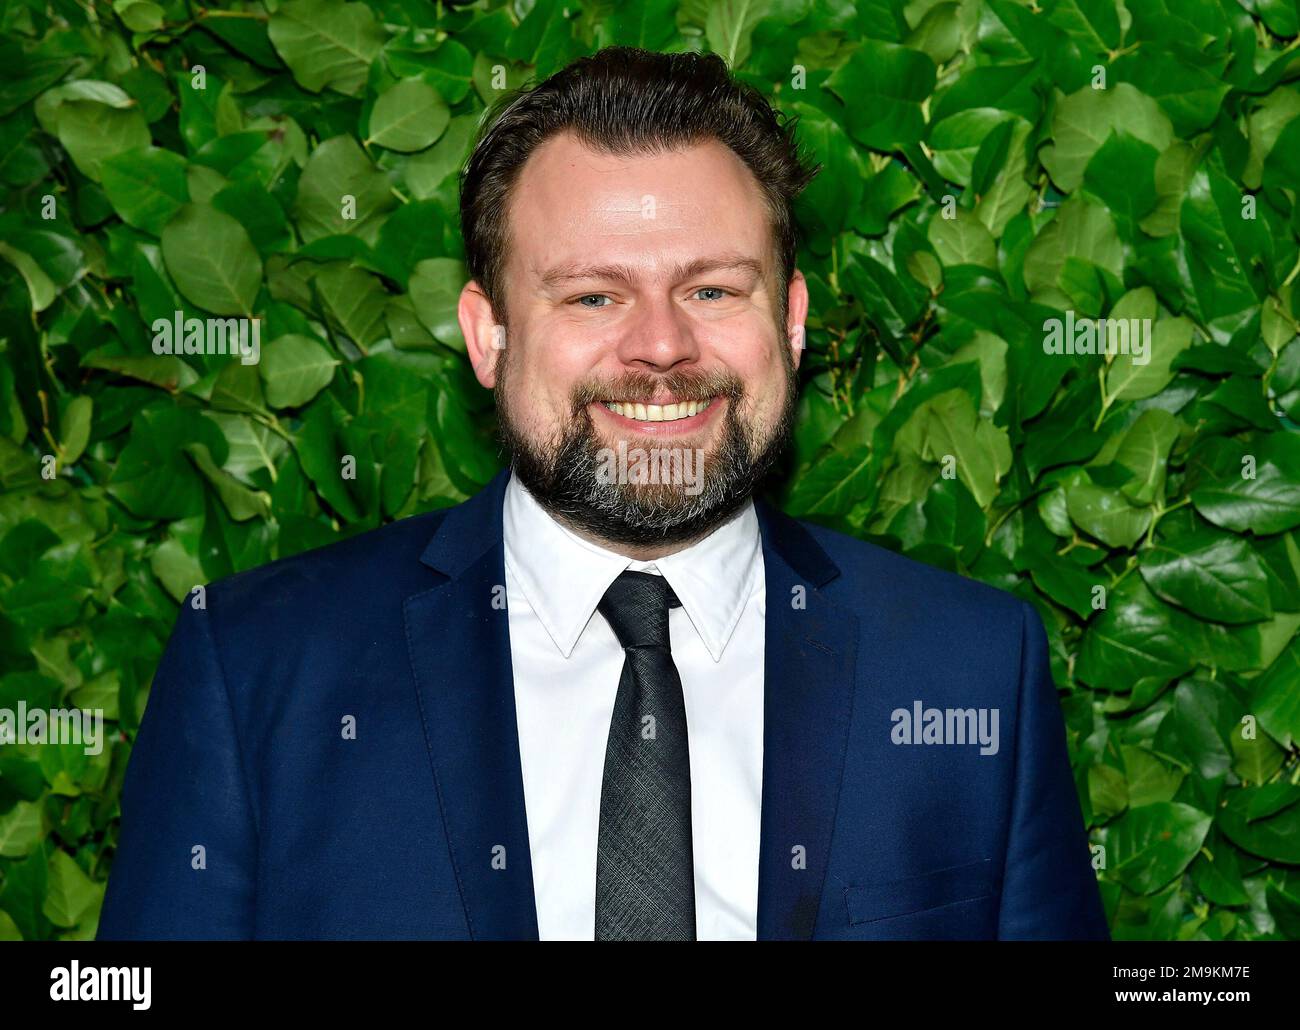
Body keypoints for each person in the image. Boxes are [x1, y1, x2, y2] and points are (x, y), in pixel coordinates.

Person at [96, 46, 1108, 941]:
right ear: (488, 335)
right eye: (593, 295)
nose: (662, 345)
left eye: (713, 289)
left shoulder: (970, 667)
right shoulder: (260, 669)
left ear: (791, 323)